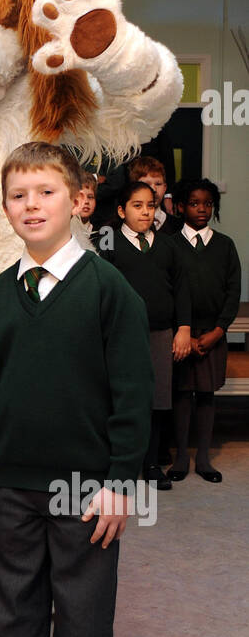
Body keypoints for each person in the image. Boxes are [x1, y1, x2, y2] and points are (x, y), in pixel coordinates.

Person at [0, 142, 152, 637]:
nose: (30, 205)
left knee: (80, 616)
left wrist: (118, 480)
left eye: (45, 192)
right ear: (5, 206)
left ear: (77, 200)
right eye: (18, 195)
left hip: (85, 486)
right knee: (8, 614)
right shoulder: (0, 291)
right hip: (12, 482)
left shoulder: (110, 291)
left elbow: (132, 396)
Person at [99, 180, 191, 490]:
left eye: (150, 206)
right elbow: (102, 288)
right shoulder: (109, 242)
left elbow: (182, 290)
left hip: (160, 333)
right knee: (121, 398)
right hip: (121, 334)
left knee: (157, 400)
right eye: (137, 206)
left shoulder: (168, 245)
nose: (145, 212)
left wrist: (183, 329)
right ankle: (119, 466)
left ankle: (151, 464)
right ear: (122, 210)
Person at [169, 178, 242, 484]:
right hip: (181, 333)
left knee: (207, 394)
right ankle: (181, 459)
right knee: (182, 394)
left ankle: (203, 459)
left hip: (213, 333)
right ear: (181, 206)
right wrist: (181, 331)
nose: (202, 209)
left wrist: (218, 331)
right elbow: (167, 290)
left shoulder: (225, 246)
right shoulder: (170, 245)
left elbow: (233, 290)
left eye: (208, 203)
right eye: (195, 203)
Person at [128, 155, 180, 236]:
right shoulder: (121, 225)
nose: (154, 189)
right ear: (134, 187)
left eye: (158, 184)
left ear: (165, 188)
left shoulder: (179, 227)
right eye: (146, 184)